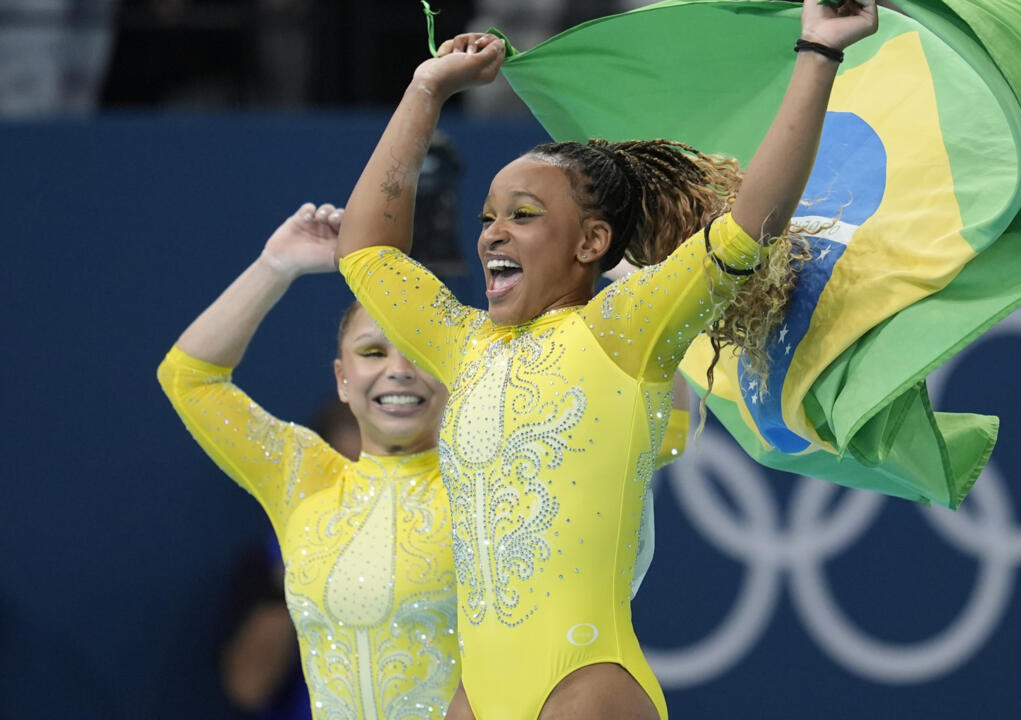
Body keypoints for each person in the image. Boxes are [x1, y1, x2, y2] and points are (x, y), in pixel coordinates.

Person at [335, 2, 879, 717]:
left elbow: (750, 226)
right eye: (488, 217)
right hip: (477, 696)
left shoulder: (623, 331)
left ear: (591, 243)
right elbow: (365, 253)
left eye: (523, 215)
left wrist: (819, 50)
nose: (493, 233)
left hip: (584, 687)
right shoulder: (461, 344)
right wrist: (425, 90)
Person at [157, 203, 459, 719]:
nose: (398, 370)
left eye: (420, 350)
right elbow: (190, 377)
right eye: (373, 352)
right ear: (342, 380)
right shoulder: (305, 476)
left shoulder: (496, 480)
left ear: (456, 371)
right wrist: (276, 265)